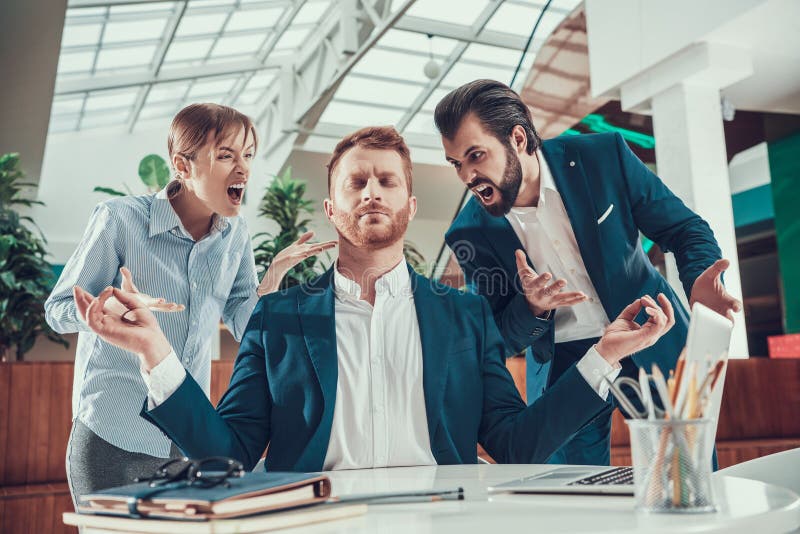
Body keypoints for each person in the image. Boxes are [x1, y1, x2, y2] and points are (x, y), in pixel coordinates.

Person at [72, 126, 675, 473]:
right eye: (354, 182)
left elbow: (516, 443)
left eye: (387, 180)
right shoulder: (278, 319)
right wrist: (154, 351)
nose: (371, 192)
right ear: (332, 209)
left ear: (410, 207)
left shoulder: (464, 317)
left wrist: (605, 353)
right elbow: (228, 449)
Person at [435, 79, 742, 466]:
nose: (466, 175)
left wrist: (698, 280)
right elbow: (501, 338)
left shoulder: (603, 156)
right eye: (456, 163)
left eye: (475, 155)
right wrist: (532, 307)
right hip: (564, 370)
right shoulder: (469, 232)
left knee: (684, 480)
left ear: (516, 138)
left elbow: (683, 229)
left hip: (652, 336)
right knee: (574, 496)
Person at [45, 103, 336, 502]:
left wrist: (272, 278)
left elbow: (242, 323)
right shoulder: (119, 220)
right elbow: (58, 309)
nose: (243, 169)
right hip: (111, 435)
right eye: (226, 155)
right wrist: (112, 308)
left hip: (185, 439)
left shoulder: (234, 232)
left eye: (247, 156)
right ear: (182, 165)